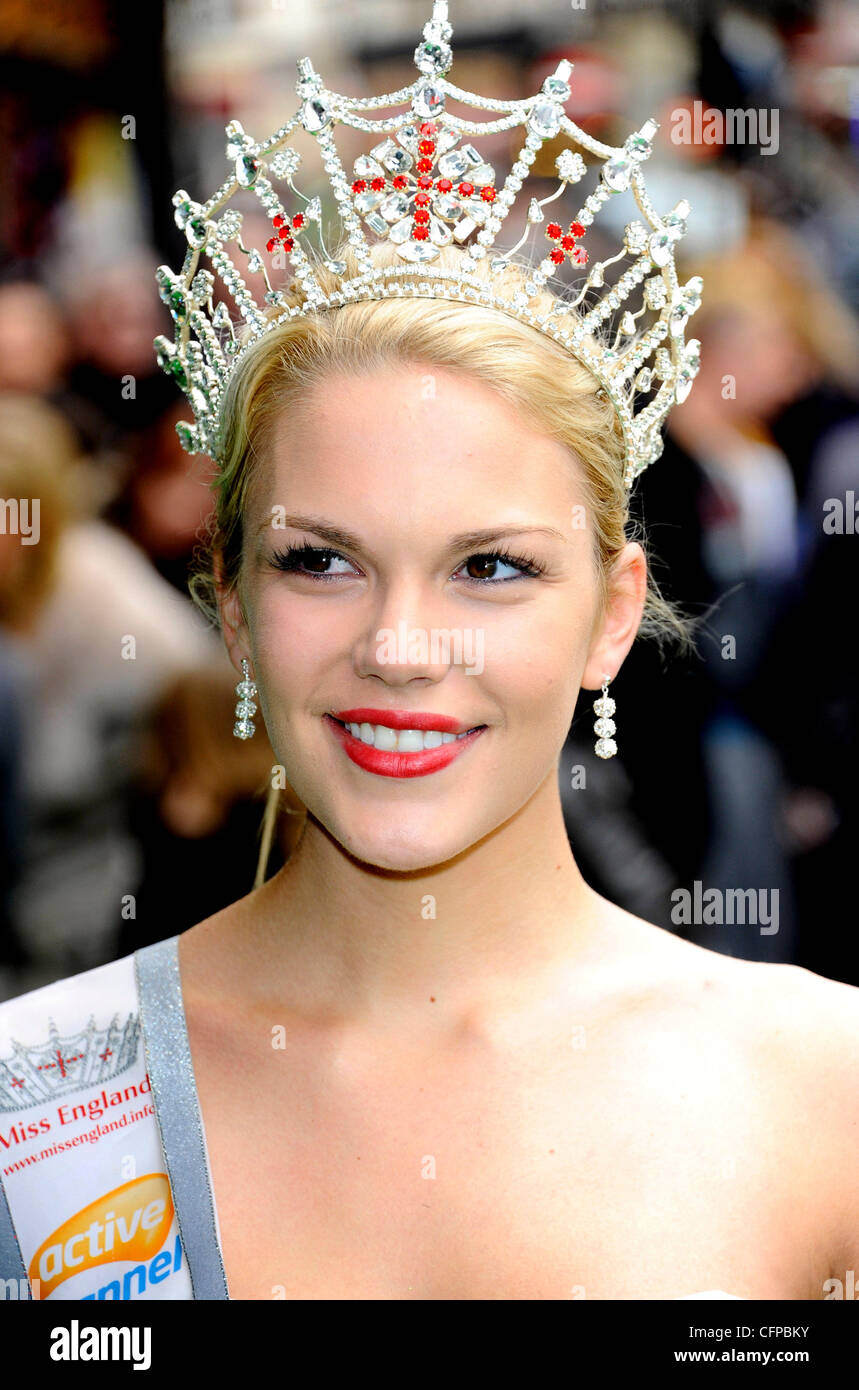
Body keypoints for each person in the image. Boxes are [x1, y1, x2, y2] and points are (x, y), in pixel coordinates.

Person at [1, 9, 856, 1302]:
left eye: (493, 565)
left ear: (614, 612)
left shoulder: (823, 1090)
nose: (402, 647)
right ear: (229, 603)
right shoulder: (40, 1111)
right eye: (321, 560)